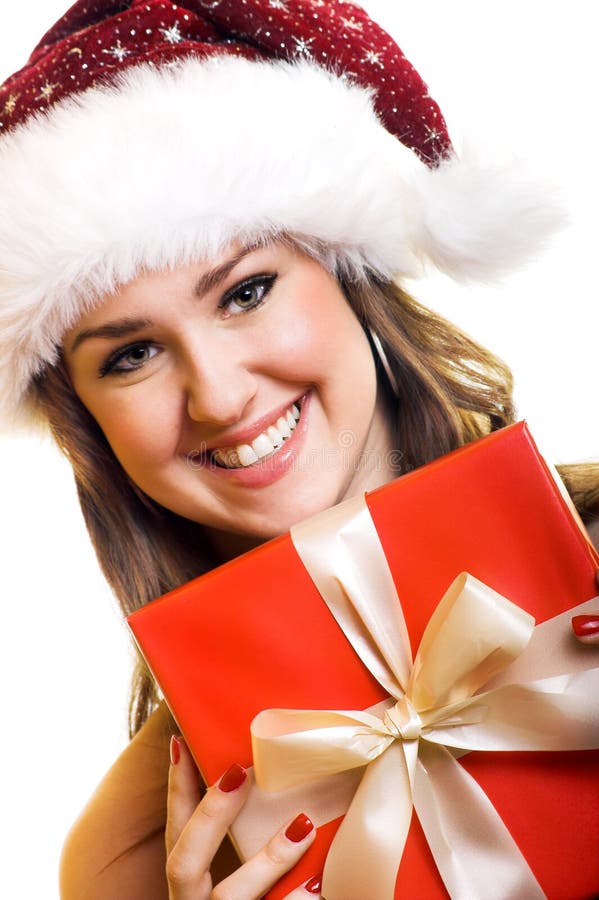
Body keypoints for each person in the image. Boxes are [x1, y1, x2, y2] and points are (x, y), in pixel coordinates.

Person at [0, 1, 597, 898]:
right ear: (87, 424)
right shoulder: (127, 861)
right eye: (131, 355)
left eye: (245, 291)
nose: (220, 395)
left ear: (351, 278)